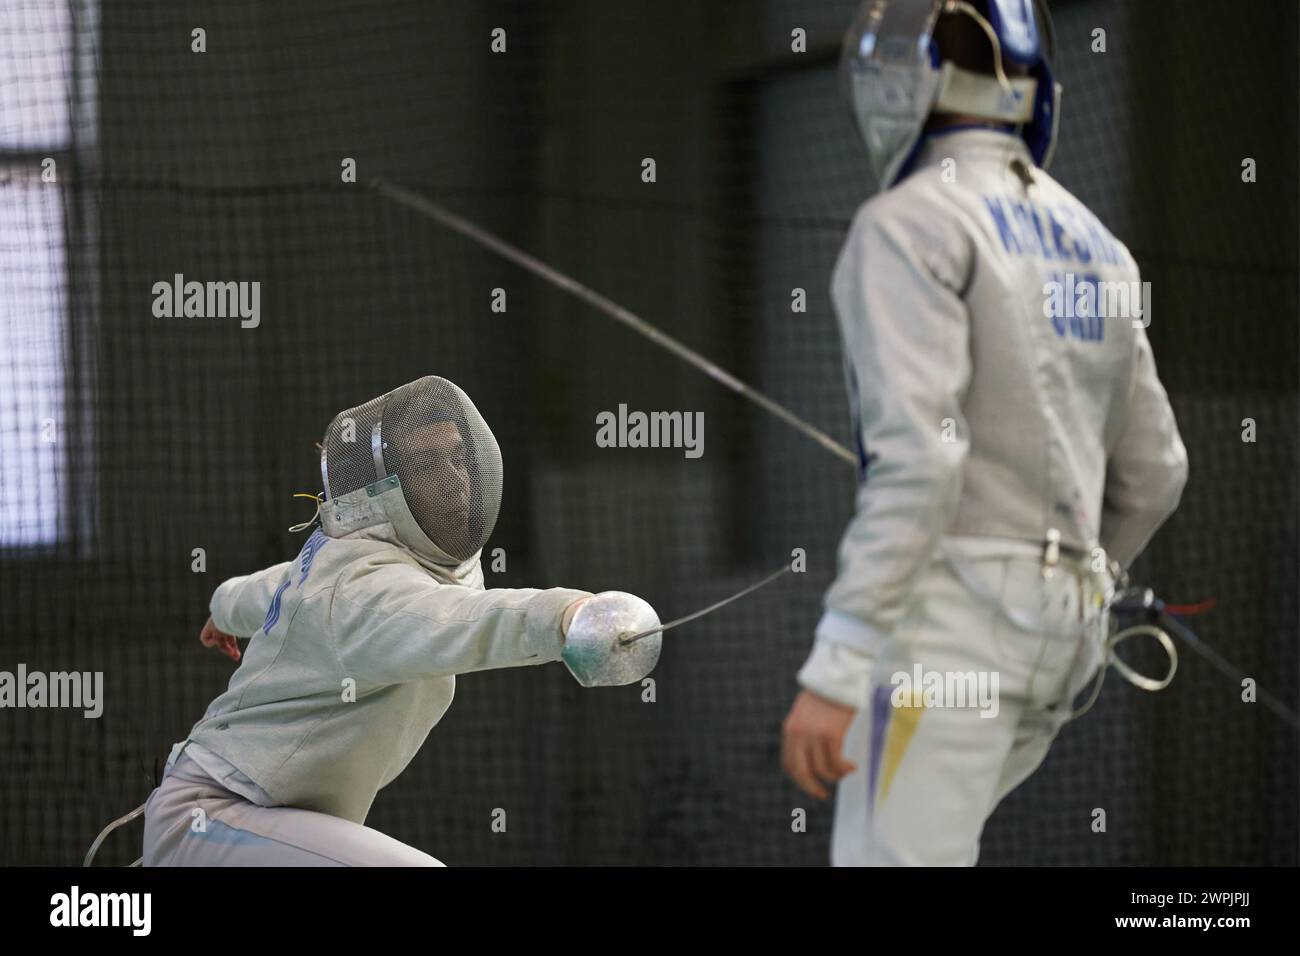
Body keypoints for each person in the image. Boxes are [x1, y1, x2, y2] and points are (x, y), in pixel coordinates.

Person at [781, 0, 1187, 865]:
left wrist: (838, 663)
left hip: (953, 629)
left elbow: (923, 461)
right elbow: (1157, 471)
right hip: (1068, 637)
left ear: (898, 75)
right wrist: (1086, 575)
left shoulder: (906, 224)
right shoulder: (1099, 245)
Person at [143, 375, 661, 866]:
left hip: (270, 824)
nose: (455, 477)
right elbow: (454, 620)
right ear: (385, 490)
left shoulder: (373, 564)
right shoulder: (362, 591)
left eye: (458, 459)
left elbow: (273, 588)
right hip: (216, 817)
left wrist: (221, 608)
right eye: (429, 464)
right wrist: (566, 617)